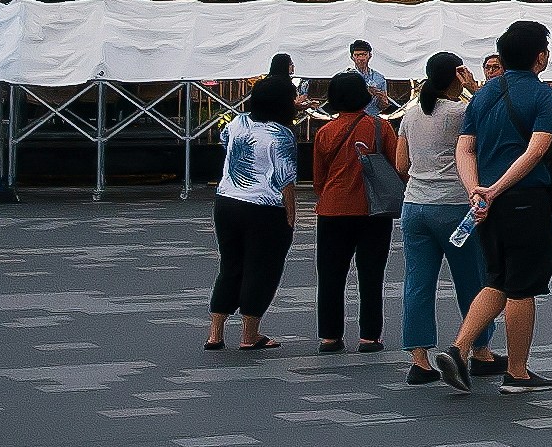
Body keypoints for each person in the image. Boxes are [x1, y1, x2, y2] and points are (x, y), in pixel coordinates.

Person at [442, 18, 552, 394]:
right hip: (524, 199)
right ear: (540, 58)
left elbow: (465, 147)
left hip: (487, 204)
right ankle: (518, 371)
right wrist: (495, 188)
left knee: (497, 278)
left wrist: (476, 190)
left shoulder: (483, 95)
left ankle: (459, 349)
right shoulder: (541, 95)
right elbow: (537, 148)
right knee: (522, 287)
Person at [396, 53, 481, 383]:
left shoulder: (410, 112)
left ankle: (419, 360)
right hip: (454, 206)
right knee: (470, 279)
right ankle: (480, 349)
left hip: (414, 205)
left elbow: (402, 165)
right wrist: (473, 89)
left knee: (417, 282)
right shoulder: (461, 112)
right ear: (457, 75)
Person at [206, 67, 300, 351]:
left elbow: (224, 141)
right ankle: (249, 335)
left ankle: (215, 332)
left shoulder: (237, 122)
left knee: (230, 265)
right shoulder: (282, 134)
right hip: (263, 207)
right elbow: (287, 180)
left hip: (226, 201)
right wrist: (292, 215)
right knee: (261, 268)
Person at [308, 67, 397, 353]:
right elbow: (397, 167)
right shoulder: (381, 128)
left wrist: (329, 194)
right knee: (372, 274)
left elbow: (318, 178)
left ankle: (330, 336)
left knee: (331, 275)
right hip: (374, 210)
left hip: (333, 210)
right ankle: (370, 336)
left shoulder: (324, 132)